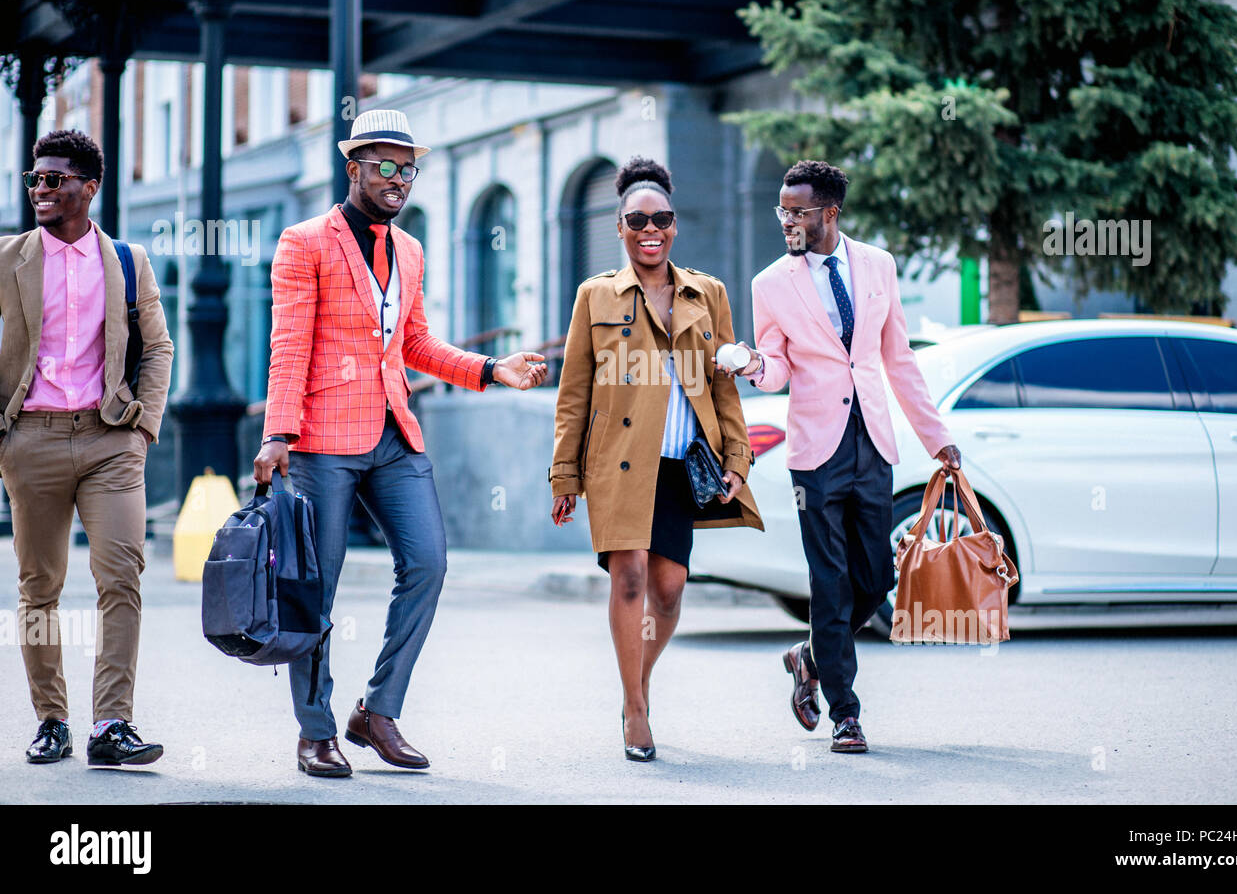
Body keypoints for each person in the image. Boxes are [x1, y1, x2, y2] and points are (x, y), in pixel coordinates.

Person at [253, 108, 547, 778]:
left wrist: (488, 369)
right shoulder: (306, 242)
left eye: (408, 167)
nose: (398, 178)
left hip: (394, 435)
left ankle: (378, 711)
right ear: (352, 167)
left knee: (428, 563)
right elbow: (289, 345)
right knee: (315, 589)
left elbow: (412, 343)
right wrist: (279, 433)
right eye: (384, 165)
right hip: (324, 440)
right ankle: (315, 730)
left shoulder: (409, 249)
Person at [721, 160, 960, 754]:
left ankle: (810, 655)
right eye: (782, 210)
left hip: (873, 441)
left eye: (797, 210)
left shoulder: (877, 265)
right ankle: (845, 714)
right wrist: (751, 364)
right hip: (816, 451)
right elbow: (777, 370)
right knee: (828, 582)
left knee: (876, 581)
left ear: (830, 212)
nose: (787, 221)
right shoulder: (770, 282)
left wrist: (937, 438)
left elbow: (897, 357)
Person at [550, 156, 763, 761]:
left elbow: (723, 383)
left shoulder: (708, 292)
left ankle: (635, 683)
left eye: (662, 218)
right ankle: (636, 712)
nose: (652, 229)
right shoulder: (595, 296)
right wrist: (565, 475)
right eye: (638, 219)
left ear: (674, 224)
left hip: (679, 463)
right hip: (616, 461)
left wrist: (738, 458)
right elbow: (574, 394)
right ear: (619, 225)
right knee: (632, 577)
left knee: (669, 590)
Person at [0, 129, 173, 765]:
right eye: (35, 180)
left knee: (121, 577)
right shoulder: (10, 257)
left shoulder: (127, 261)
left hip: (110, 442)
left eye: (54, 180)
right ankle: (51, 718)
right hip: (32, 441)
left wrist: (143, 429)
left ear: (88, 188)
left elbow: (158, 346)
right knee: (39, 586)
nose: (40, 190)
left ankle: (111, 725)